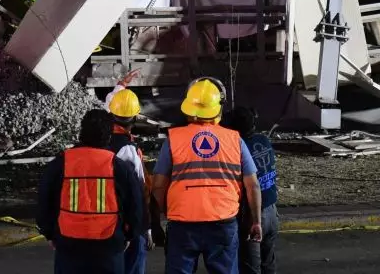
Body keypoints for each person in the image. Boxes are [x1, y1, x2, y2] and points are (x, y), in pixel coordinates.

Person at [151, 78, 263, 274]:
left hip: (182, 224)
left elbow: (159, 186)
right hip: (223, 222)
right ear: (217, 109)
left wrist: (155, 221)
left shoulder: (173, 139)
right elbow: (252, 185)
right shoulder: (235, 140)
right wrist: (256, 221)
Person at [37, 109, 147, 274]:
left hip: (69, 247)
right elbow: (136, 207)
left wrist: (50, 234)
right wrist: (129, 235)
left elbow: (44, 201)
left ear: (81, 132)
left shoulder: (61, 163)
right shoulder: (119, 168)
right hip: (109, 249)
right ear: (109, 137)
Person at [107, 86, 157, 274]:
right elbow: (140, 191)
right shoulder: (127, 149)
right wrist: (147, 229)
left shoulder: (102, 139)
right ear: (135, 118)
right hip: (128, 223)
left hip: (107, 219)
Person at [223, 107, 278, 274]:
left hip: (253, 212)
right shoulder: (263, 140)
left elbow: (249, 185)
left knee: (250, 267)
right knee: (268, 264)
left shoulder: (239, 147)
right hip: (272, 210)